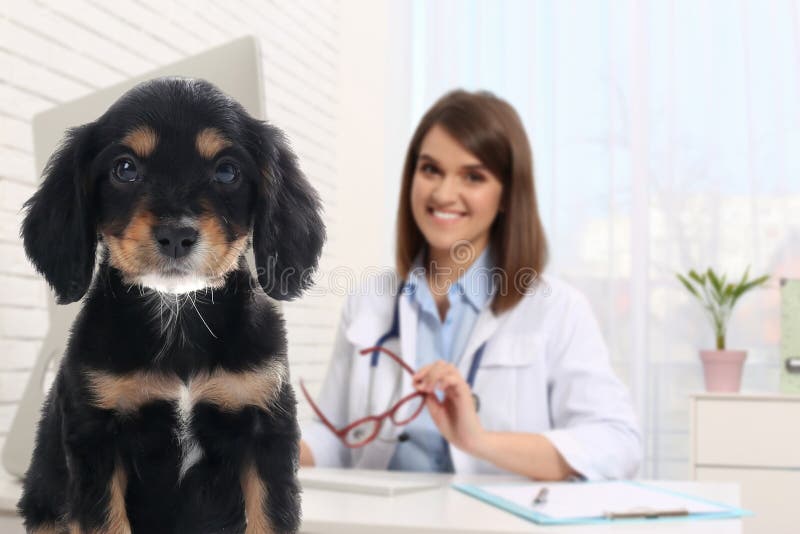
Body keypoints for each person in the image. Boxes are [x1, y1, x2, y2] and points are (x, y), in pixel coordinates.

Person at [298, 90, 641, 480]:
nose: (444, 193)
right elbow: (335, 436)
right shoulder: (369, 302)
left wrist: (478, 440)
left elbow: (619, 443)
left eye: (473, 176)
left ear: (508, 195)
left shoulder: (557, 309)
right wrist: (270, 452)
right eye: (430, 169)